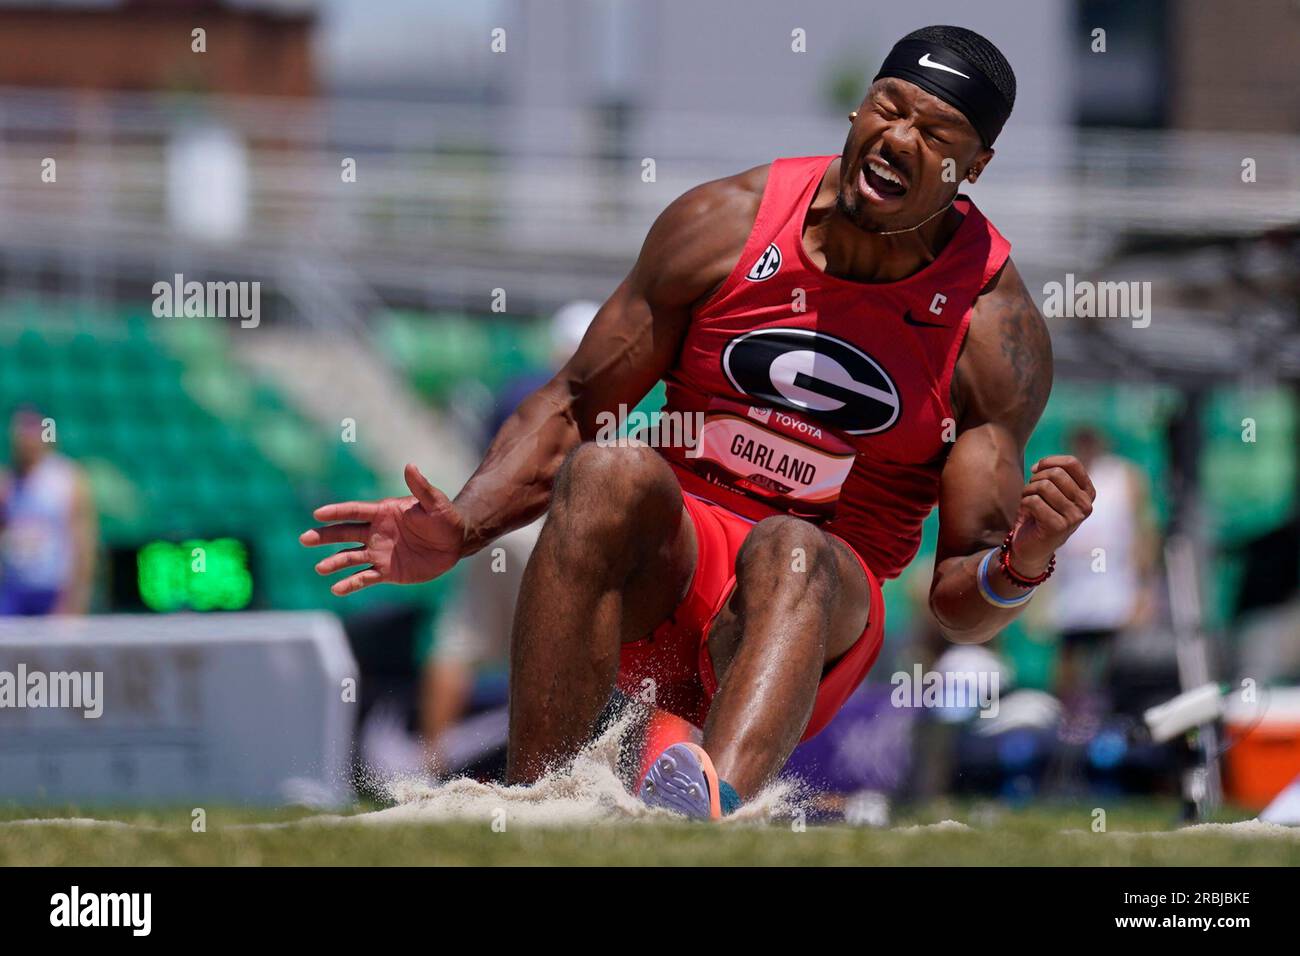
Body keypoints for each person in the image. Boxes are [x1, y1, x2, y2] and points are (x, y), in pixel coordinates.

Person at [302, 26, 1096, 820]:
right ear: (859, 110)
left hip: (809, 616)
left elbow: (962, 604)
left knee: (790, 547)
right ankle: (539, 811)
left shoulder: (993, 328)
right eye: (888, 109)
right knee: (609, 467)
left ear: (975, 168)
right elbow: (577, 407)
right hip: (673, 570)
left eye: (935, 135)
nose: (898, 138)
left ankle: (711, 810)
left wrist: (1022, 563)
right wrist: (466, 525)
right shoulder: (726, 223)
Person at [0, 406, 98, 616]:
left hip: (54, 588)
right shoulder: (8, 481)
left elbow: (83, 544)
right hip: (14, 589)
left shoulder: (66, 479)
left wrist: (75, 601)